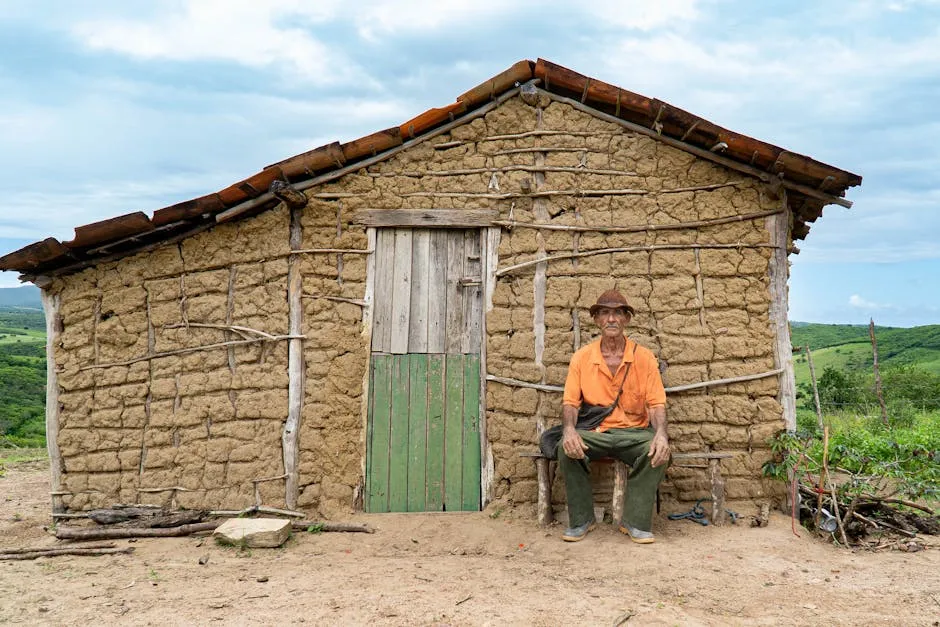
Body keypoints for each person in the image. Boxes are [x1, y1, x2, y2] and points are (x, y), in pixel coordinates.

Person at [557, 288, 670, 543]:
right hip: (596, 433)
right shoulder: (582, 358)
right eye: (605, 313)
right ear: (596, 319)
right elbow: (571, 403)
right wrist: (569, 430)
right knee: (566, 449)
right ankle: (582, 520)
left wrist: (661, 435)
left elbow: (656, 404)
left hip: (635, 433)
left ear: (626, 319)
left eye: (617, 313)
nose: (611, 319)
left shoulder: (644, 357)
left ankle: (635, 522)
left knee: (659, 452)